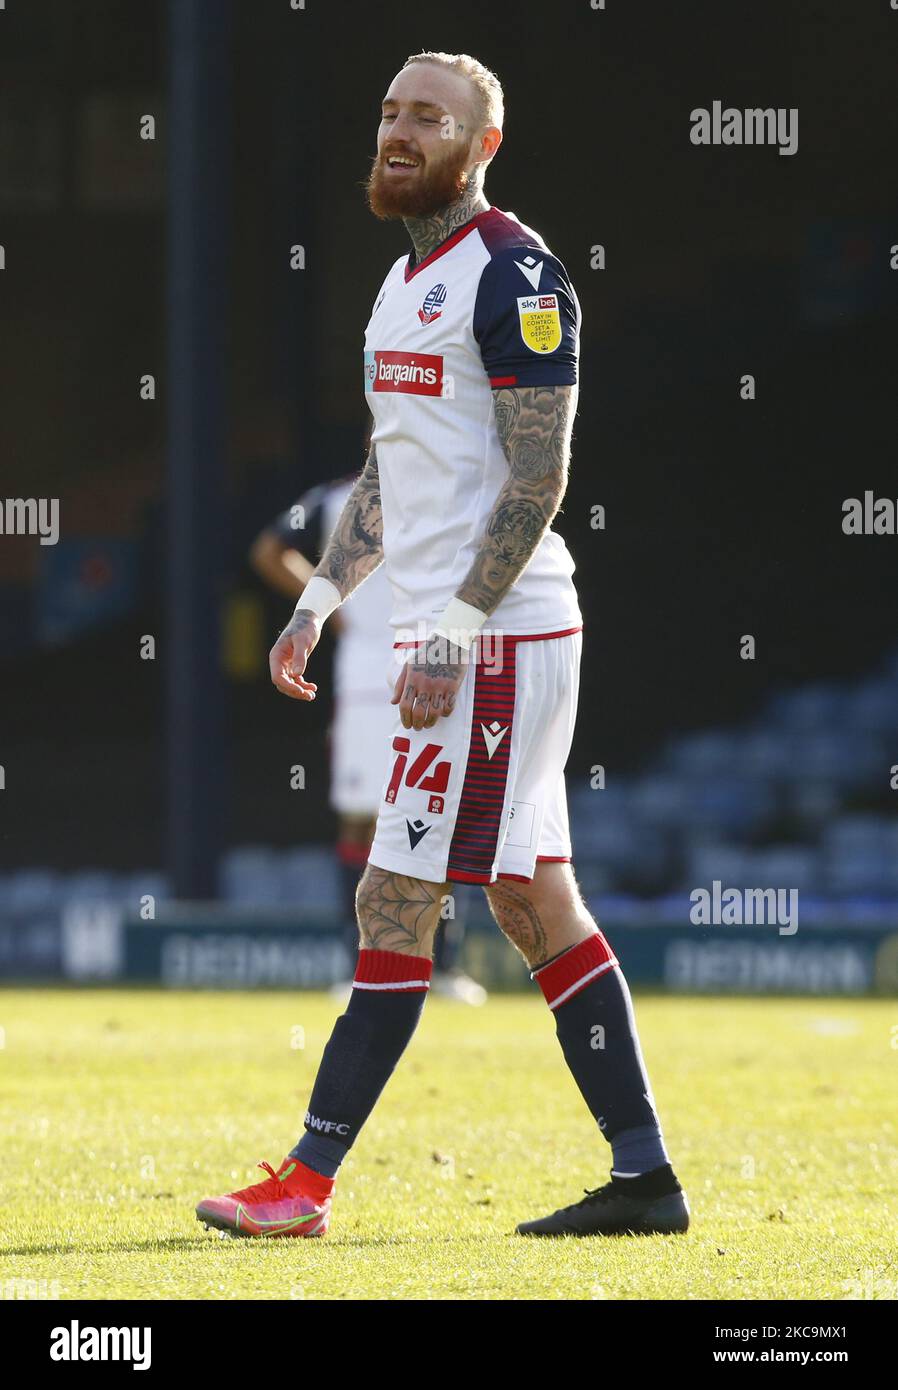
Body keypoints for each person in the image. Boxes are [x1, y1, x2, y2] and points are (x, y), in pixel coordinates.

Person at [198, 49, 688, 1240]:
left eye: (430, 117)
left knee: (394, 896)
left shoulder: (514, 273)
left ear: (483, 145)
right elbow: (388, 471)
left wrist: (455, 630)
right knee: (530, 900)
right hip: (452, 631)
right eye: (388, 113)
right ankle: (646, 1180)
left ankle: (302, 1186)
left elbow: (541, 471)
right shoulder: (398, 280)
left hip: (496, 632)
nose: (399, 132)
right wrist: (317, 604)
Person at [249, 469, 486, 1003]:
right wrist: (331, 610)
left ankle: (441, 962)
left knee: (437, 813)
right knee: (362, 820)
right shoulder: (331, 498)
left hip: (432, 666)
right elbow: (269, 549)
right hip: (368, 676)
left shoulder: (449, 486)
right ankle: (359, 963)